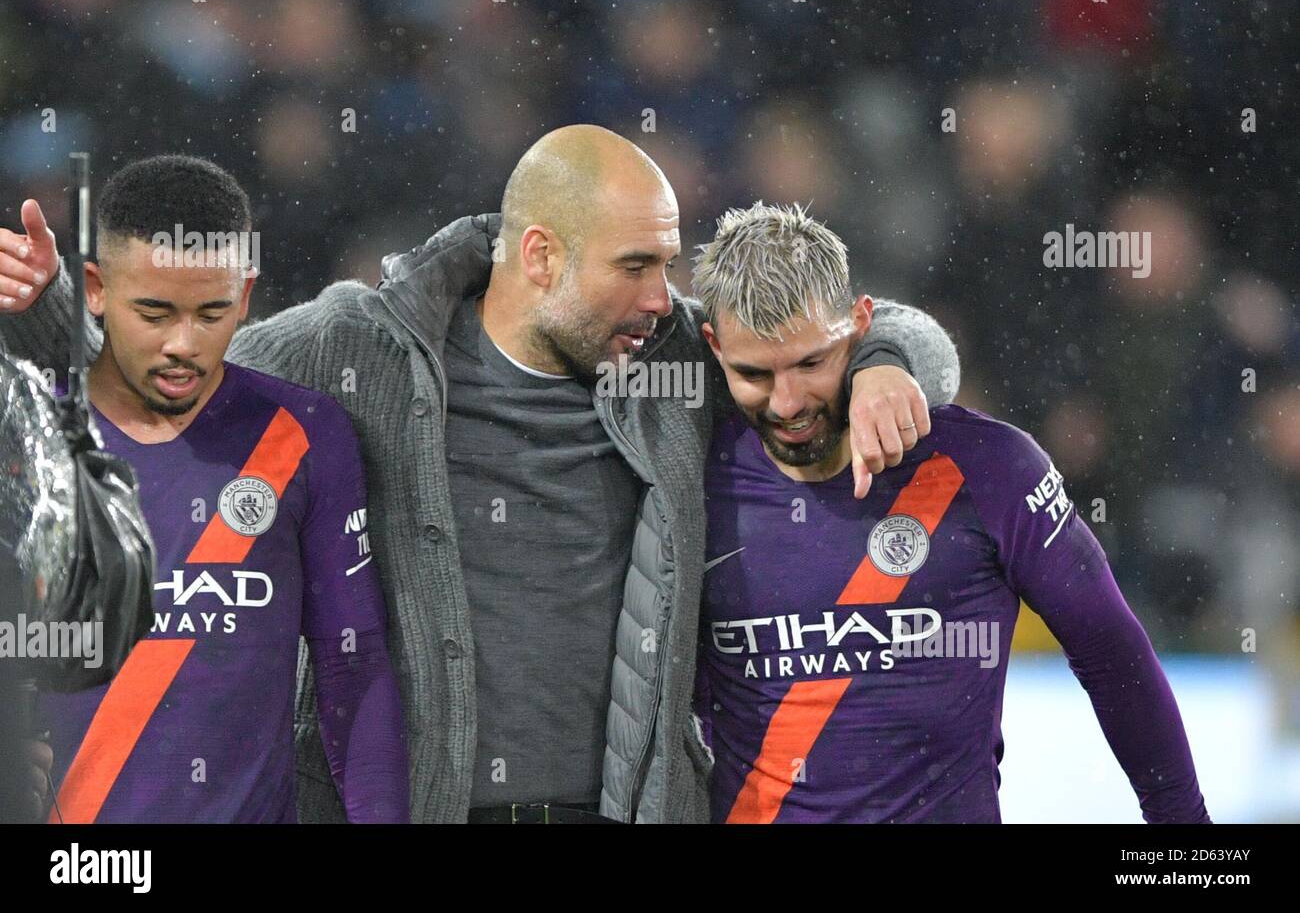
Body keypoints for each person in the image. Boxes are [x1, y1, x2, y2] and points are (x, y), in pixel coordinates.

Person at [0, 125, 960, 823]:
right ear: (539, 255)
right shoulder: (356, 347)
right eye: (637, 264)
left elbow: (896, 334)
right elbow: (167, 377)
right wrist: (48, 314)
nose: (663, 295)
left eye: (666, 264)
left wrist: (881, 367)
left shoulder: (674, 362)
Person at [693, 201, 1209, 823]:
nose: (788, 402)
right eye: (754, 373)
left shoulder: (990, 467)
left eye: (811, 363)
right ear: (713, 347)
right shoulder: (687, 481)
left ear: (861, 326)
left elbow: (1110, 651)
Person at [0, 155, 407, 822]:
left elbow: (351, 664)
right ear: (96, 290)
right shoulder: (28, 435)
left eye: (212, 312)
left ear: (245, 296)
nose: (183, 345)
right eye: (154, 313)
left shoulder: (303, 434)